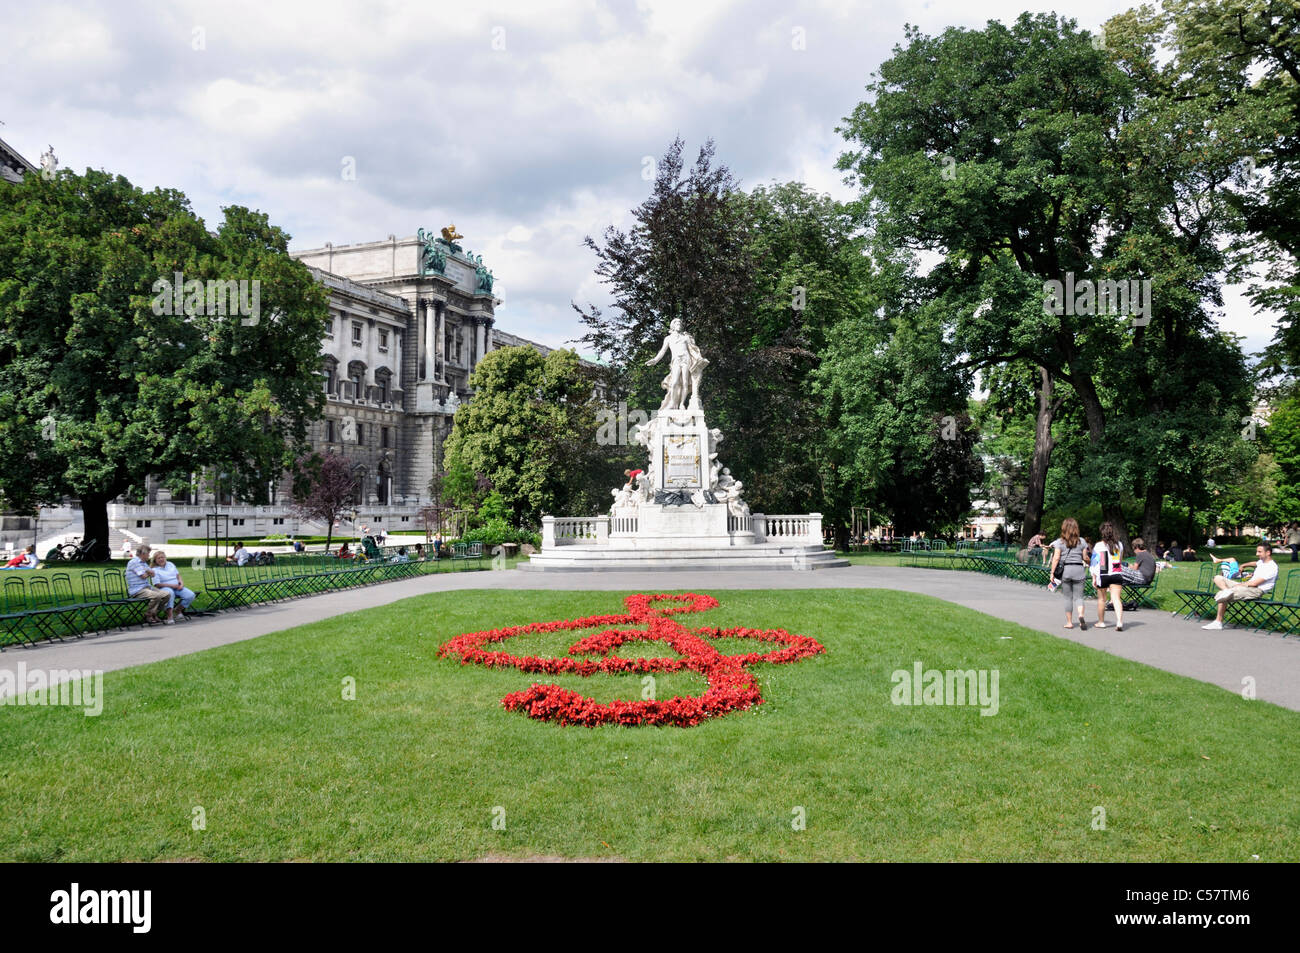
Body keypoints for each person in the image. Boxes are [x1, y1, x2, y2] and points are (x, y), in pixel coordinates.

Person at [1203, 544, 1278, 630]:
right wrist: (1244, 565)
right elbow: (1255, 563)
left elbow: (1254, 584)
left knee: (1222, 595)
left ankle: (1218, 622)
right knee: (1217, 578)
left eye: (1259, 552)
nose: (1257, 554)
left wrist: (1240, 584)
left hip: (1256, 590)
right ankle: (1227, 590)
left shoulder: (1272, 567)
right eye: (1257, 551)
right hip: (1246, 586)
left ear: (1268, 553)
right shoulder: (1262, 561)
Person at [1048, 518, 1090, 630]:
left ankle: (1069, 622)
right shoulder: (1082, 541)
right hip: (1079, 570)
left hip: (1066, 571)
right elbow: (1085, 558)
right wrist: (1090, 563)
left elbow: (1056, 558)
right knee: (1079, 597)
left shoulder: (1059, 542)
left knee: (1067, 598)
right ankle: (1081, 615)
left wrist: (1052, 572)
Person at [1091, 521, 1126, 631]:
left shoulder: (1098, 546)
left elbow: (1094, 563)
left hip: (1103, 574)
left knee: (1102, 600)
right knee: (1116, 599)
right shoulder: (1119, 545)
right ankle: (1119, 621)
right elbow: (1120, 560)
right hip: (1116, 573)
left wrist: (1094, 577)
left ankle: (1101, 622)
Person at [125, 544, 170, 625]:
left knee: (166, 595)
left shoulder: (143, 563)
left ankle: (153, 613)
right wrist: (148, 572)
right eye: (148, 554)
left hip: (147, 587)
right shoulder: (134, 562)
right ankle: (149, 614)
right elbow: (144, 576)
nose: (149, 556)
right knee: (157, 596)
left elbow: (153, 574)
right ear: (143, 554)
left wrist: (147, 572)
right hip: (137, 590)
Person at [149, 550, 195, 622]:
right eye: (159, 558)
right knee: (170, 593)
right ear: (155, 560)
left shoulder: (170, 564)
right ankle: (169, 616)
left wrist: (181, 583)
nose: (161, 559)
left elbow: (178, 575)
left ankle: (177, 610)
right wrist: (172, 586)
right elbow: (157, 584)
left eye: (162, 557)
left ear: (165, 558)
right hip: (164, 588)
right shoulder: (154, 570)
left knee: (190, 595)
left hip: (177, 586)